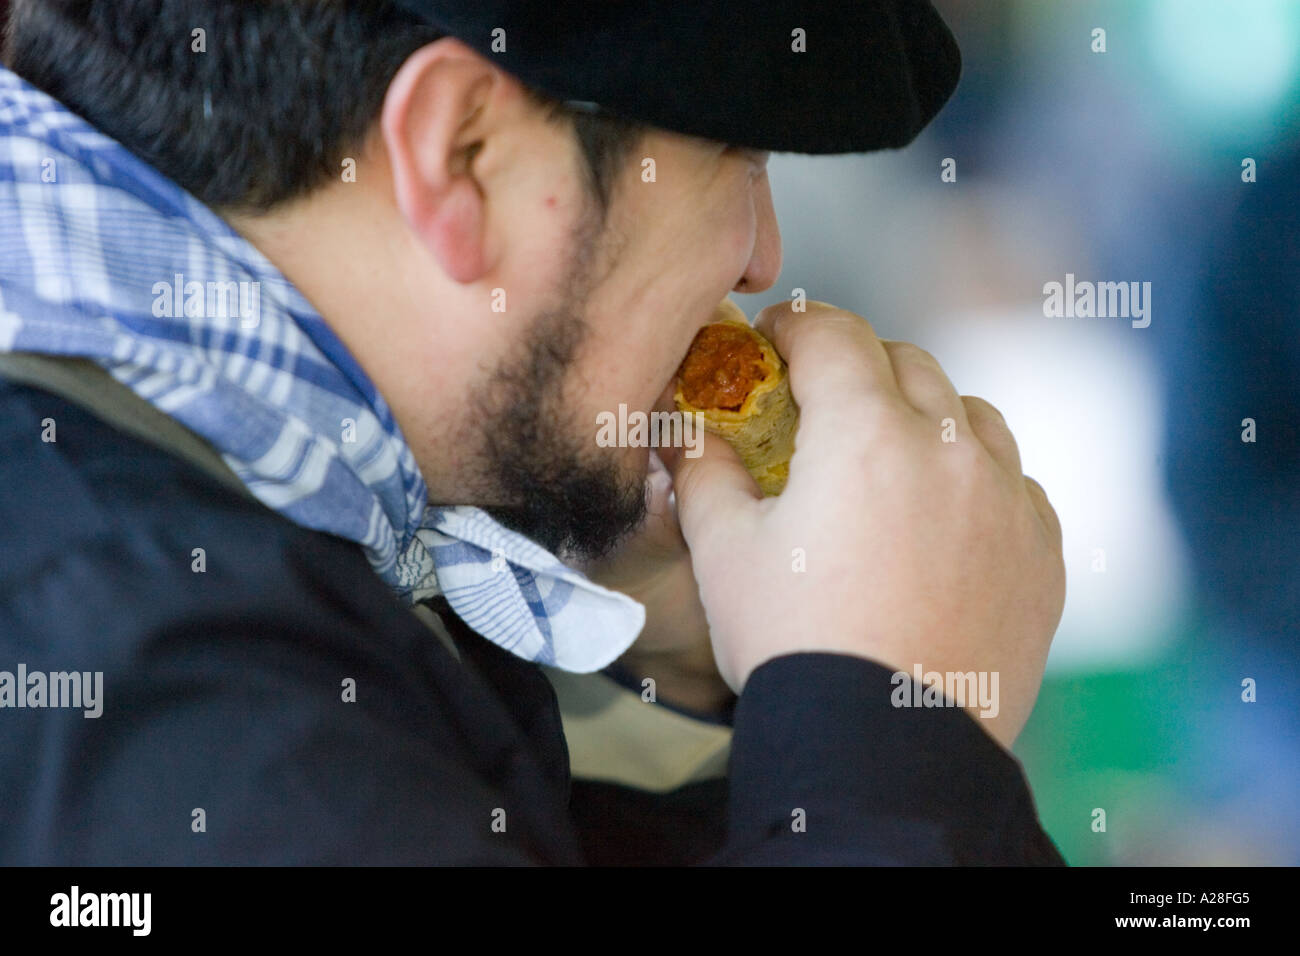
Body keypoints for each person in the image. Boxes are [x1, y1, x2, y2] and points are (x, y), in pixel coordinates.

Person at [0, 0, 1066, 864]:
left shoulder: (185, 539)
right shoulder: (155, 670)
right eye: (739, 156)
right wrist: (891, 731)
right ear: (461, 153)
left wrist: (737, 669)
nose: (760, 258)